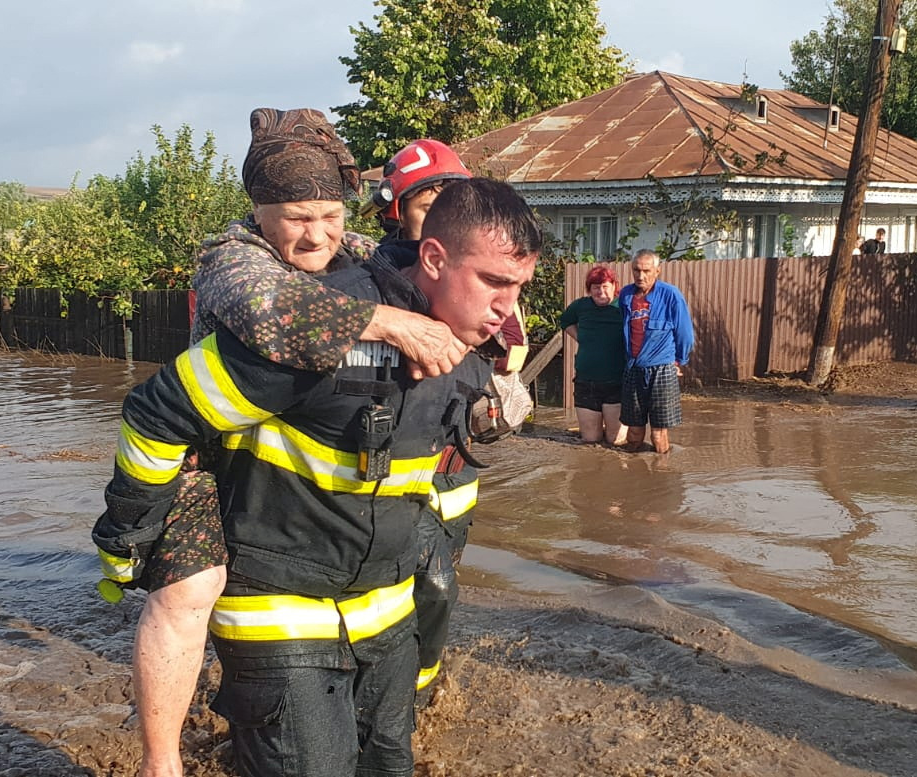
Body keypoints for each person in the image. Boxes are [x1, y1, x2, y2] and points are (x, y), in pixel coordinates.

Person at [97, 177, 542, 777]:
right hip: (279, 611)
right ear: (434, 259)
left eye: (518, 288)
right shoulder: (318, 330)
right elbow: (157, 412)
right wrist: (131, 533)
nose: (507, 310)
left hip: (384, 611)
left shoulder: (466, 340)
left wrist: (496, 408)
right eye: (494, 282)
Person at [368, 137, 521, 705]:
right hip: (389, 462)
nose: (436, 207)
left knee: (440, 586)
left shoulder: (485, 275)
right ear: (396, 210)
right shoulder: (371, 279)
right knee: (418, 585)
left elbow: (507, 343)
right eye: (423, 196)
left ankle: (417, 686)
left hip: (453, 469)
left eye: (447, 195)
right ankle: (392, 695)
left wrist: (504, 395)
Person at [618, 250, 693, 455]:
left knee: (658, 433)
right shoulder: (626, 295)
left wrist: (678, 362)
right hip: (633, 368)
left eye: (646, 271)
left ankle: (661, 476)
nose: (640, 276)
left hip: (662, 369)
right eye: (636, 270)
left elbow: (685, 334)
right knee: (633, 430)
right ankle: (632, 475)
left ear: (657, 271)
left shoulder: (671, 295)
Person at [560, 264, 627, 444]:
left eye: (605, 286)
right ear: (589, 289)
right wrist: (581, 337)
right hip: (586, 381)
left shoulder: (624, 306)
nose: (601, 291)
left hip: (617, 381)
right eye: (595, 287)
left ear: (614, 286)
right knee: (590, 440)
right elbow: (565, 321)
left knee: (616, 441)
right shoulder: (580, 306)